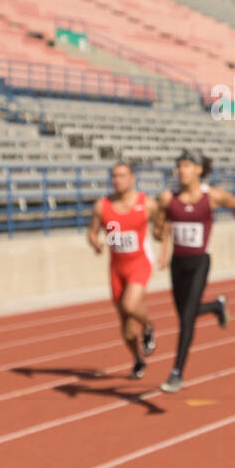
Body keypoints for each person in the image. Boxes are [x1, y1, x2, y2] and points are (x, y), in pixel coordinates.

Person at [154, 150, 235, 393]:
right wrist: (160, 241)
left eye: (187, 165)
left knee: (187, 319)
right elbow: (161, 226)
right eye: (179, 166)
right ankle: (216, 306)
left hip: (200, 262)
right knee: (183, 314)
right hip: (177, 263)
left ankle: (176, 373)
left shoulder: (211, 196)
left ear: (199, 170)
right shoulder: (168, 198)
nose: (182, 170)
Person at [88, 161, 160, 379]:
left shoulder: (146, 203)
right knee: (127, 326)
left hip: (139, 263)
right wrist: (96, 243)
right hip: (116, 268)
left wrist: (163, 246)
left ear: (132, 179)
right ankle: (138, 359)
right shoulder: (102, 205)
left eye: (121, 176)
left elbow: (163, 225)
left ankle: (149, 326)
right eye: (113, 176)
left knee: (130, 304)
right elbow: (92, 232)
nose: (116, 180)